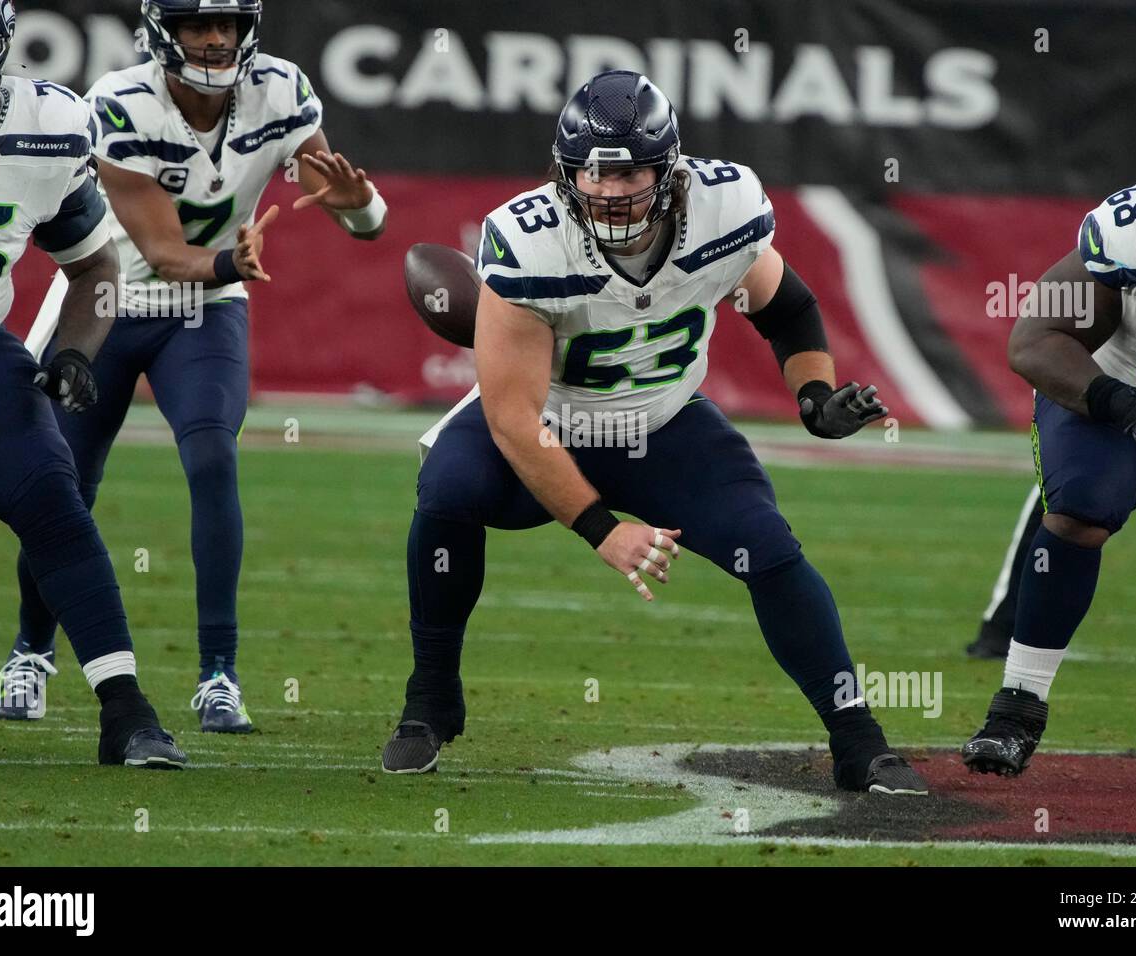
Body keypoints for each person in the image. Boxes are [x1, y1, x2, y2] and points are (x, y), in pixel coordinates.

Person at [381, 70, 928, 796]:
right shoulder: (529, 240)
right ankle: (431, 698)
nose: (609, 189)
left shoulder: (723, 208)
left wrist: (816, 397)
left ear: (668, 170)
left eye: (630, 170)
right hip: (552, 421)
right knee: (447, 492)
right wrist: (603, 528)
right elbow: (512, 420)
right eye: (591, 172)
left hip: (663, 420)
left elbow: (787, 308)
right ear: (565, 170)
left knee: (767, 547)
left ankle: (858, 738)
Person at [0, 0, 387, 732]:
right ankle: (31, 651)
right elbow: (162, 252)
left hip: (204, 306)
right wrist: (228, 261)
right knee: (60, 485)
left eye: (229, 25)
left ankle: (218, 674)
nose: (215, 39)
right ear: (161, 31)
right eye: (197, 25)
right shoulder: (118, 101)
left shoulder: (283, 89)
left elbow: (354, 211)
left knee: (213, 456)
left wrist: (362, 206)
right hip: (106, 299)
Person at [962, 91, 1136, 777]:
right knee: (1082, 508)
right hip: (1118, 413)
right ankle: (1017, 708)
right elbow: (1035, 337)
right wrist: (1124, 406)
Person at [0, 0, 183, 767]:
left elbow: (95, 268)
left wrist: (78, 353)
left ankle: (126, 710)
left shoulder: (45, 129)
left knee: (55, 501)